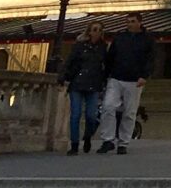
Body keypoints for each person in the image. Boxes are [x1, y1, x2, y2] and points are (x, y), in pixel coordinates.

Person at [97, 11, 156, 156]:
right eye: (128, 21)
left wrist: (144, 75)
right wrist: (106, 76)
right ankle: (108, 140)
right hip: (116, 77)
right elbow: (110, 57)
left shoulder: (147, 40)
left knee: (129, 112)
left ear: (139, 22)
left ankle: (123, 142)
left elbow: (151, 59)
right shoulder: (120, 38)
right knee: (108, 106)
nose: (130, 24)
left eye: (132, 21)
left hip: (135, 80)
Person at [59, 19, 109, 155]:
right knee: (75, 115)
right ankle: (74, 144)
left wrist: (105, 80)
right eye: (94, 29)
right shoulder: (80, 46)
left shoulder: (104, 48)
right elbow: (70, 61)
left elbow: (107, 66)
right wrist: (63, 76)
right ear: (89, 31)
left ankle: (87, 137)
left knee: (91, 116)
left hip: (94, 84)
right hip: (78, 83)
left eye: (99, 30)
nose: (97, 32)